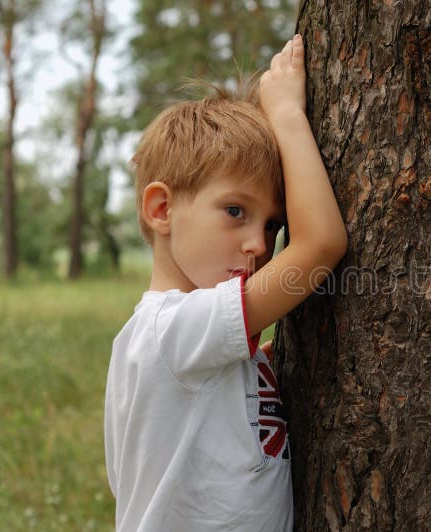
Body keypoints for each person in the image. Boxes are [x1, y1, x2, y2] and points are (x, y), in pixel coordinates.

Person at [104, 34, 347, 531]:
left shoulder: (201, 339)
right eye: (235, 211)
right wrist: (285, 116)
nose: (258, 245)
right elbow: (320, 244)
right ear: (162, 209)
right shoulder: (174, 331)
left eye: (271, 226)